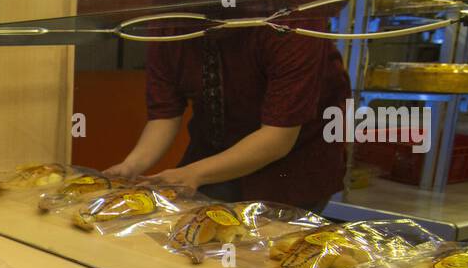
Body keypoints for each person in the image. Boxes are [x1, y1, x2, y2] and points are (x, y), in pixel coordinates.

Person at [107, 25, 352, 213]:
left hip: (293, 171)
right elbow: (165, 114)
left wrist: (194, 173)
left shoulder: (289, 24)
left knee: (259, 262)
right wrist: (131, 166)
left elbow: (278, 137)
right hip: (210, 155)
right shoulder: (168, 26)